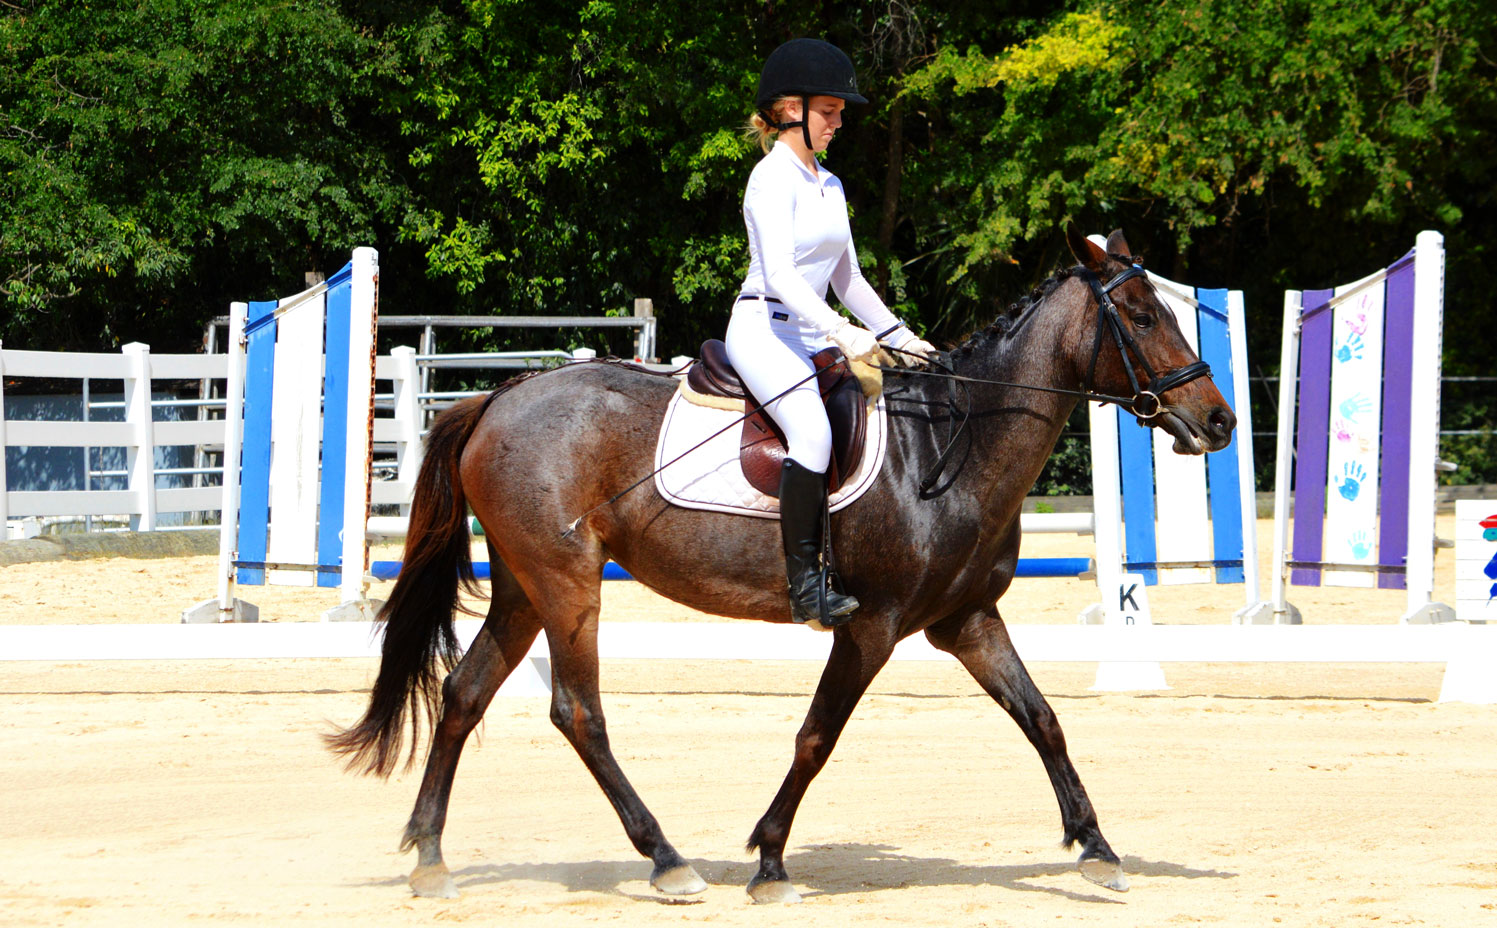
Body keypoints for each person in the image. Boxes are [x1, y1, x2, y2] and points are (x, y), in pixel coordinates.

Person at [727, 37, 937, 629]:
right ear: (792, 108)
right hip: (764, 327)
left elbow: (849, 279)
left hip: (813, 331)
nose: (839, 122)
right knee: (813, 435)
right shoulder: (771, 179)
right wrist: (844, 336)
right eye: (831, 110)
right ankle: (805, 587)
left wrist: (903, 336)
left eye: (840, 113)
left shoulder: (830, 184)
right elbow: (785, 279)